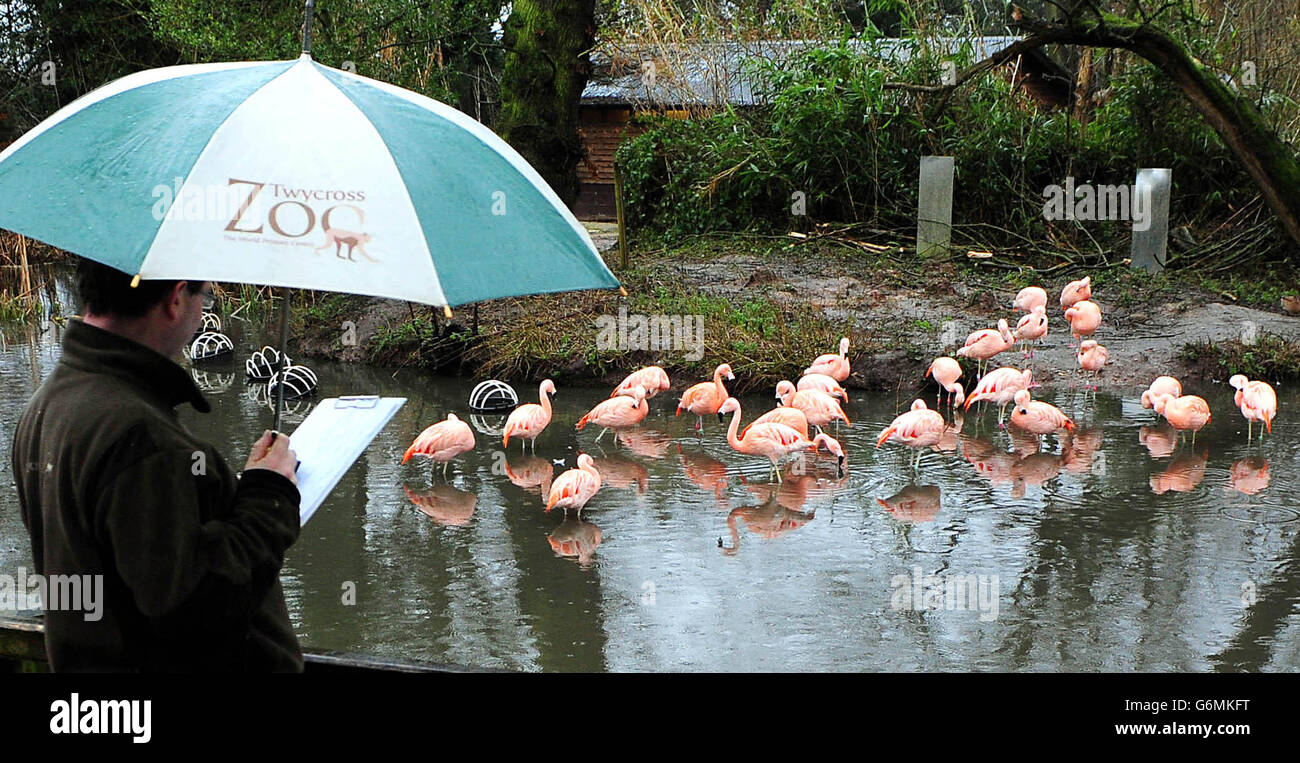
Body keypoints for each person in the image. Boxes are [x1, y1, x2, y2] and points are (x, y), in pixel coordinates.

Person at [11, 259, 303, 671]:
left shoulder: (48, 403)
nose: (202, 311)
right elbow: (195, 605)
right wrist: (269, 497)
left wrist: (241, 487)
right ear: (175, 297)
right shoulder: (143, 438)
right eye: (204, 296)